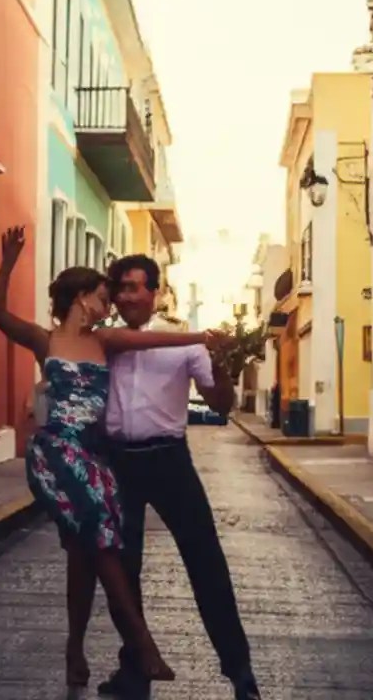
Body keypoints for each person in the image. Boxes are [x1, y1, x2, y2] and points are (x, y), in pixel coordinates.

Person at [0, 226, 228, 691]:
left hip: (94, 455)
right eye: (102, 296)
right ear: (80, 299)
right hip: (57, 452)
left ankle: (75, 646)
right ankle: (144, 645)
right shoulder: (45, 340)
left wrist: (204, 337)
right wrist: (9, 260)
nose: (109, 304)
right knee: (101, 532)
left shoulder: (107, 340)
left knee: (83, 553)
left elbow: (156, 342)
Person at [97, 254, 263, 700]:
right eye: (122, 287)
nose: (128, 295)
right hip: (117, 464)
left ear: (155, 292)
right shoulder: (103, 340)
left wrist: (223, 363)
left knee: (206, 565)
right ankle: (134, 675)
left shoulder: (184, 344)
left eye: (137, 287)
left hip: (169, 461)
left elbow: (221, 404)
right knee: (122, 572)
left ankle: (240, 674)